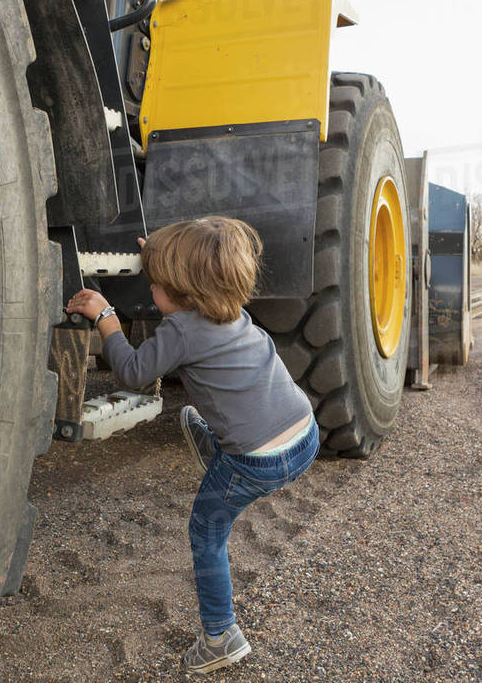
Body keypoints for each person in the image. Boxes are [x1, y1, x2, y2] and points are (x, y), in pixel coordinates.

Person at [66, 216, 319, 674]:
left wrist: (106, 316)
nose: (150, 291)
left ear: (183, 294)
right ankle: (217, 458)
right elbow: (191, 279)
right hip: (304, 435)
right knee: (202, 416)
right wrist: (163, 257)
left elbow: (132, 371)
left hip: (255, 462)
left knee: (206, 534)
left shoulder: (180, 330)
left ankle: (221, 637)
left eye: (156, 283)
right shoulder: (231, 308)